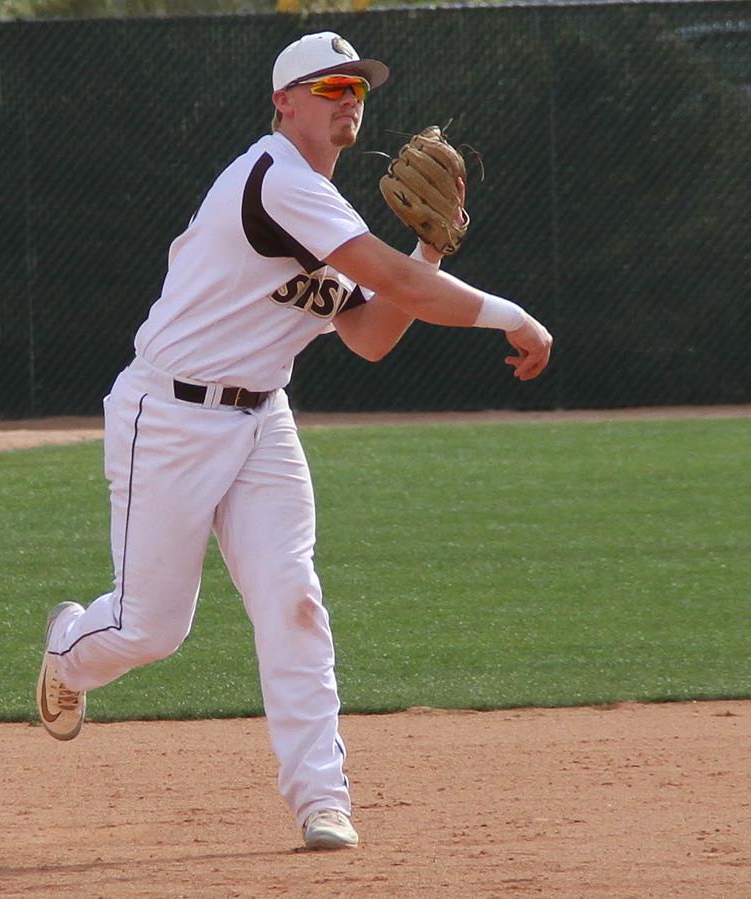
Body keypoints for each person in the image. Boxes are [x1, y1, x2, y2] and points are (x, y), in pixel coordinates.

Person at [36, 31, 553, 851]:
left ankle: (322, 798)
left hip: (261, 420)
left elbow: (371, 334)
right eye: (331, 86)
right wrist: (512, 316)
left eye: (359, 88)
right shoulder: (276, 179)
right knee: (152, 629)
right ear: (283, 101)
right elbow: (399, 285)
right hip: (167, 416)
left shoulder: (327, 211)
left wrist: (429, 244)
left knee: (294, 598)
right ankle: (69, 650)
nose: (350, 99)